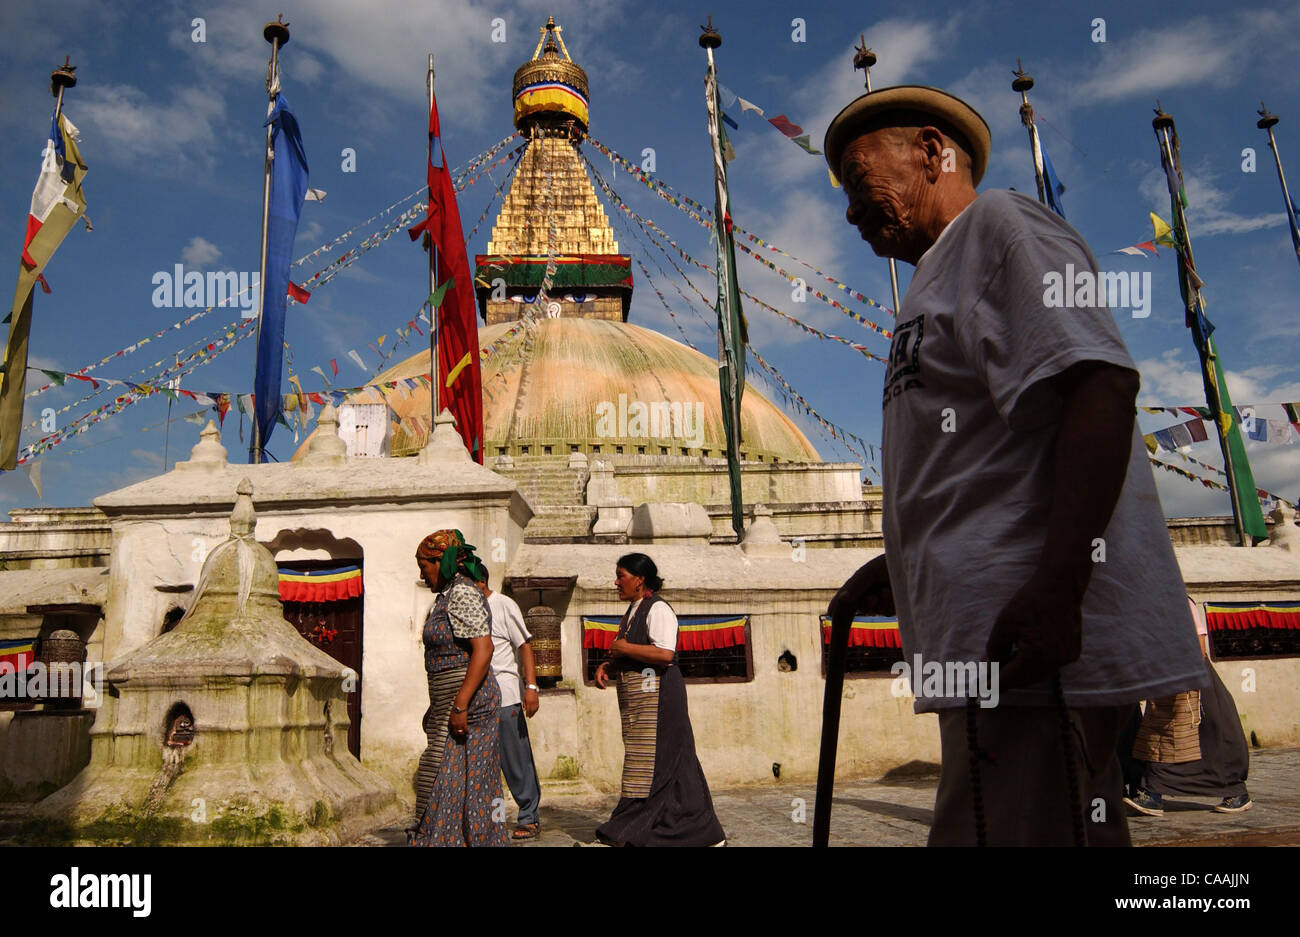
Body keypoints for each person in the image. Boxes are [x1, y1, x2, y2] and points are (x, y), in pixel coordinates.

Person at [822, 85, 1206, 845]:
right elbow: (975, 467)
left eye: (862, 185)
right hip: (979, 654)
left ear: (934, 152)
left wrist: (1060, 584)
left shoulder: (998, 226)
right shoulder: (931, 281)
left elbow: (1098, 384)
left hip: (1028, 651)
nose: (851, 213)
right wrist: (896, 565)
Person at [590, 553, 726, 846]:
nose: (616, 582)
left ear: (640, 580)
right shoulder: (633, 610)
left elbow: (664, 654)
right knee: (663, 763)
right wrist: (609, 666)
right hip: (641, 704)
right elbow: (634, 651)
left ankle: (647, 829)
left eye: (621, 575)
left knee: (659, 764)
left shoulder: (658, 609)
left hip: (661, 700)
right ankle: (696, 829)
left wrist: (623, 648)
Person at [409, 529, 507, 847]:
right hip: (452, 700)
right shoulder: (448, 595)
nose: (422, 575)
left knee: (449, 777)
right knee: (451, 777)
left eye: (424, 567)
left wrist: (461, 704)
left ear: (440, 561)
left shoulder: (463, 592)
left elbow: (483, 648)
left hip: (470, 702)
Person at [1122, 596, 1252, 816]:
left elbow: (1199, 647)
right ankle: (1152, 794)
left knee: (1211, 738)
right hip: (1166, 682)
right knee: (1159, 737)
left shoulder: (1182, 602)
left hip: (1192, 679)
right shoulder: (1148, 605)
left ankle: (1236, 792)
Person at [474, 577, 544, 840]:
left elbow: (523, 645)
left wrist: (531, 687)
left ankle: (529, 816)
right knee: (485, 764)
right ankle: (492, 819)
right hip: (476, 699)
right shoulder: (464, 607)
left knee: (516, 760)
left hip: (506, 696)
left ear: (481, 581)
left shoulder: (503, 605)